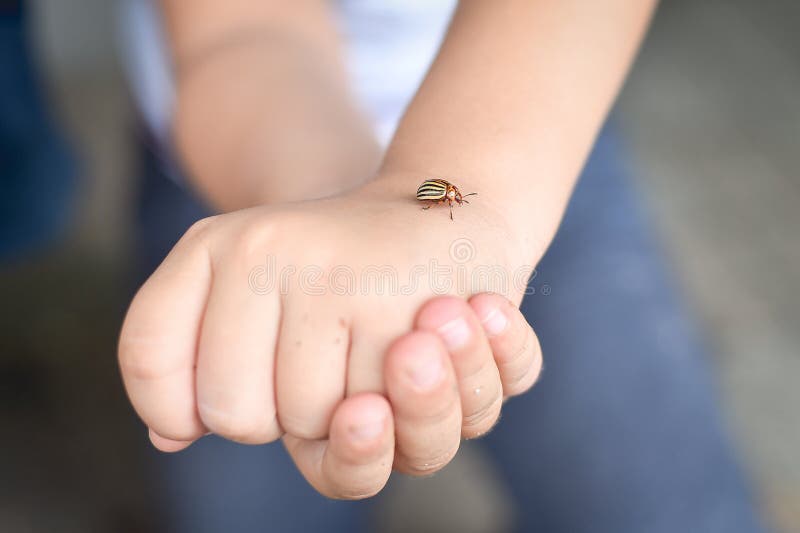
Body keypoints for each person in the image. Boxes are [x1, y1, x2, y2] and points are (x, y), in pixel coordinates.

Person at [115, 1, 765, 531]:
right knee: (251, 490)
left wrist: (452, 202)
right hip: (247, 160)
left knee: (670, 502)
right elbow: (243, 32)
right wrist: (341, 209)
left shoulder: (460, 195)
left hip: (536, 141)